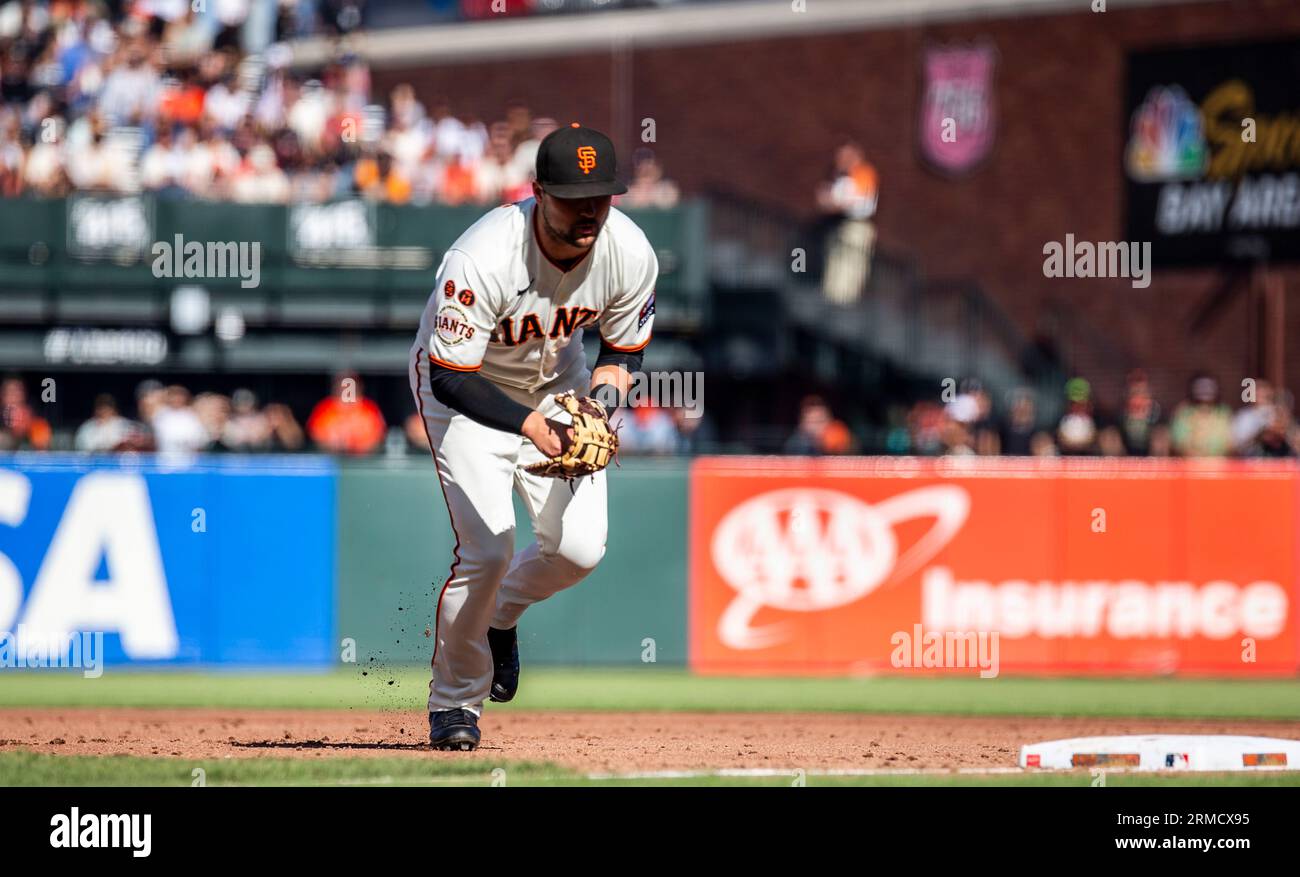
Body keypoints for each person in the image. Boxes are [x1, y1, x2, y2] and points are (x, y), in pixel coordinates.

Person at [409, 123, 656, 750]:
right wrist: (529, 426)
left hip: (557, 385)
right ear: (538, 192)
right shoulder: (483, 256)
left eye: (600, 197)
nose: (589, 211)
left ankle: (500, 615)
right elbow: (449, 378)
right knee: (488, 550)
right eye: (574, 198)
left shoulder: (629, 252)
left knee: (579, 551)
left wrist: (598, 408)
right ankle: (455, 705)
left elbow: (623, 350)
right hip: (466, 392)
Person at [817, 141, 879, 304]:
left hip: (856, 226)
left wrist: (833, 202)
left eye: (844, 156)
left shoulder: (863, 173)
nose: (840, 160)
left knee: (849, 267)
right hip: (840, 225)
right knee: (835, 265)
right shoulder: (842, 178)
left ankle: (844, 303)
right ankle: (831, 300)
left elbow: (855, 202)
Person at [306, 373, 386, 455]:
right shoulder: (323, 408)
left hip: (362, 460)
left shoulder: (370, 408)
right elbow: (315, 438)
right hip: (331, 460)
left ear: (359, 387)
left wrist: (355, 445)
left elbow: (378, 440)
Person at [1169, 373, 1232, 458]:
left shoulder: (1223, 412)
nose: (1205, 390)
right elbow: (1178, 442)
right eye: (1201, 386)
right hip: (1190, 463)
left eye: (1209, 386)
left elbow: (1230, 442)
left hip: (1218, 463)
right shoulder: (1183, 412)